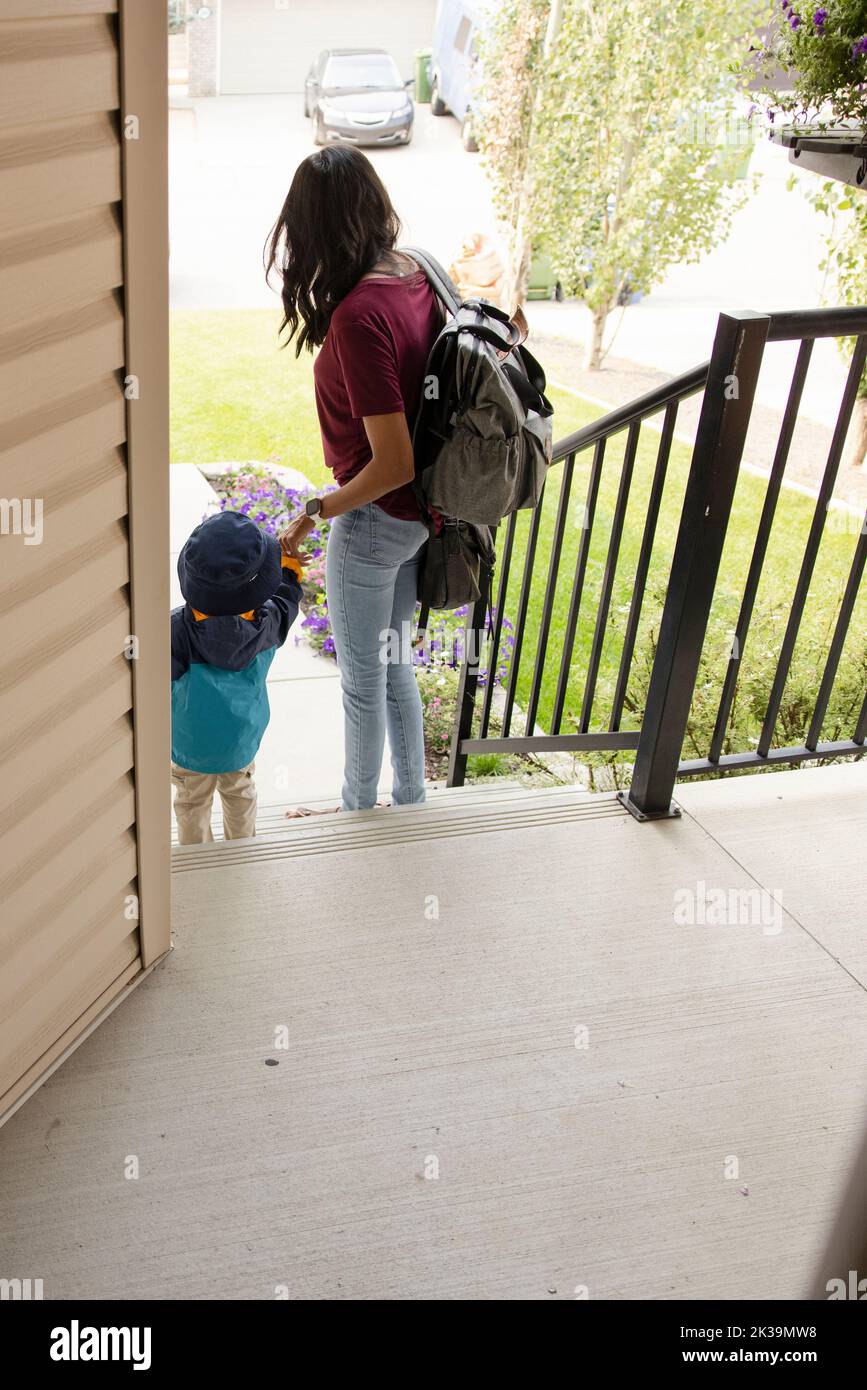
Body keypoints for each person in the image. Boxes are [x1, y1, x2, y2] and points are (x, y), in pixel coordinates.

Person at [265, 145, 442, 812]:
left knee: (363, 684)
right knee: (395, 670)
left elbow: (390, 460)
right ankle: (411, 801)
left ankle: (356, 813)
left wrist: (316, 507)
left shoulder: (360, 315)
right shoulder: (415, 273)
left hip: (376, 523)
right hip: (418, 516)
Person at [171, 510, 303, 843]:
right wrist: (289, 568)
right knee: (240, 796)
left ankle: (196, 859)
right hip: (240, 742)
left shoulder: (173, 632)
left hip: (189, 745)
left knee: (191, 803)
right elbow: (287, 598)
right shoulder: (268, 624)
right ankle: (241, 852)